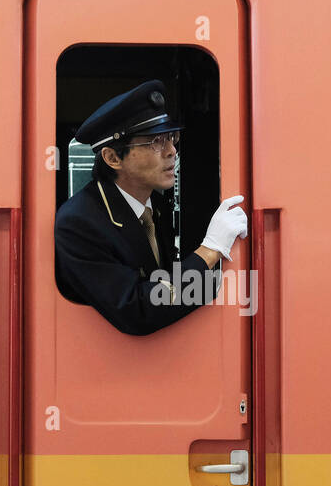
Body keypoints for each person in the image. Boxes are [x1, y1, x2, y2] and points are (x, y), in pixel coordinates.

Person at [55, 79, 247, 335]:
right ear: (113, 158)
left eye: (171, 138)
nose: (171, 152)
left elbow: (163, 279)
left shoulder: (154, 203)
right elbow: (138, 309)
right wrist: (211, 250)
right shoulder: (79, 223)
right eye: (155, 142)